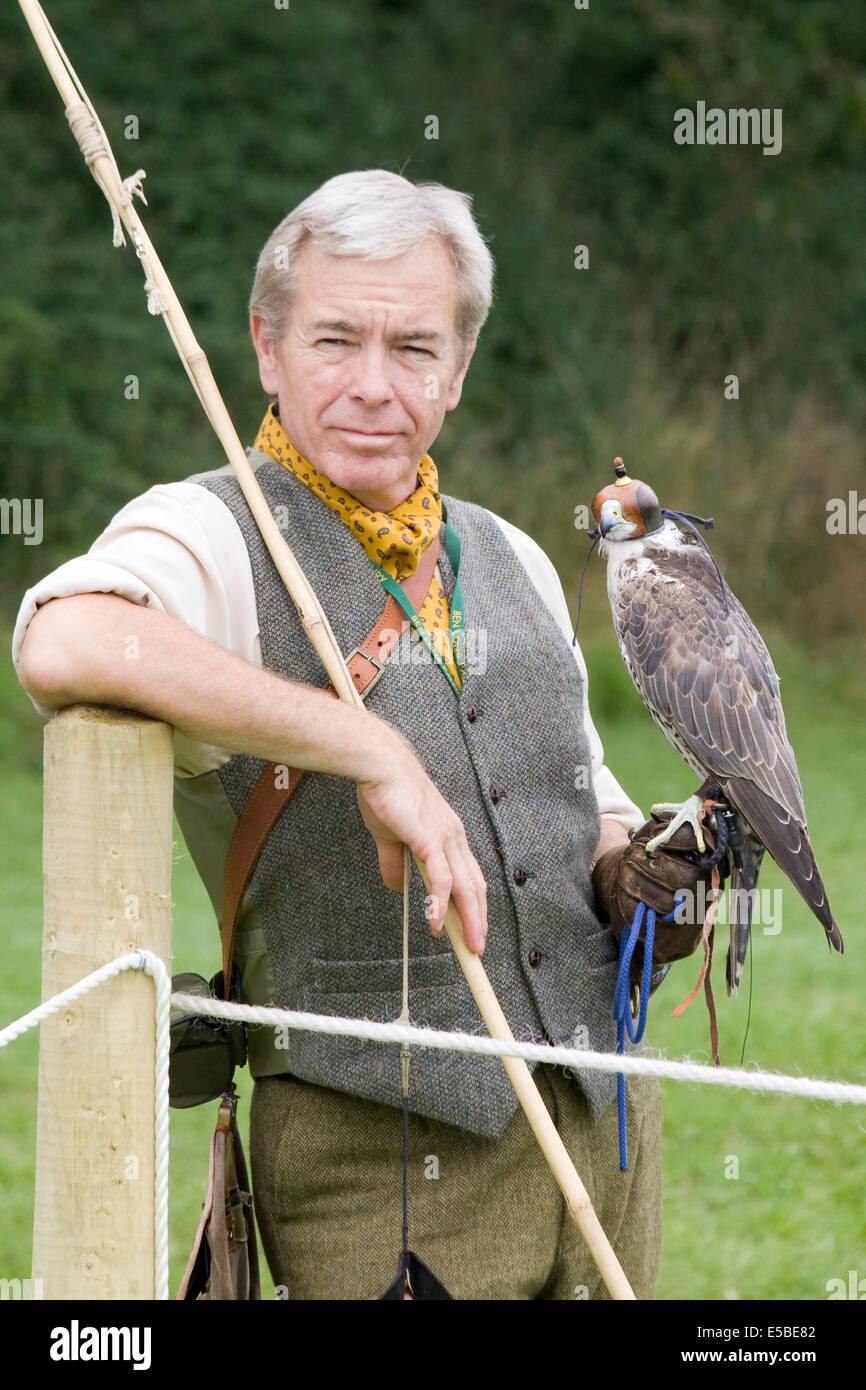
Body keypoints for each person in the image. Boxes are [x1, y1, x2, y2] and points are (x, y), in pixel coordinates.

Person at [14, 170, 701, 1300]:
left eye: (414, 348)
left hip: (604, 1125)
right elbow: (64, 638)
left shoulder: (511, 551)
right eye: (335, 340)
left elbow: (575, 782)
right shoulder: (207, 530)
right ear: (266, 347)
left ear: (459, 369)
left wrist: (628, 869)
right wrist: (367, 743)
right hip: (378, 1160)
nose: (374, 387)